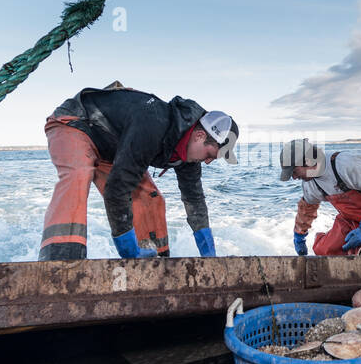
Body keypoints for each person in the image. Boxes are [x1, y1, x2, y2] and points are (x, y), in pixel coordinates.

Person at [39, 82, 238, 260]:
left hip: (114, 148)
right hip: (77, 122)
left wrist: (210, 256)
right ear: (200, 135)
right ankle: (60, 261)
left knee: (150, 200)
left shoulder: (190, 156)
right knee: (79, 175)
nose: (209, 162)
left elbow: (195, 200)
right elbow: (117, 190)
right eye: (211, 154)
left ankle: (156, 267)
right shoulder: (154, 123)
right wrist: (128, 251)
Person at [280, 138, 361, 256]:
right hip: (350, 218)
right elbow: (306, 210)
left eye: (294, 172)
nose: (294, 178)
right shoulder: (309, 184)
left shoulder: (344, 164)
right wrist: (299, 235)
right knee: (324, 250)